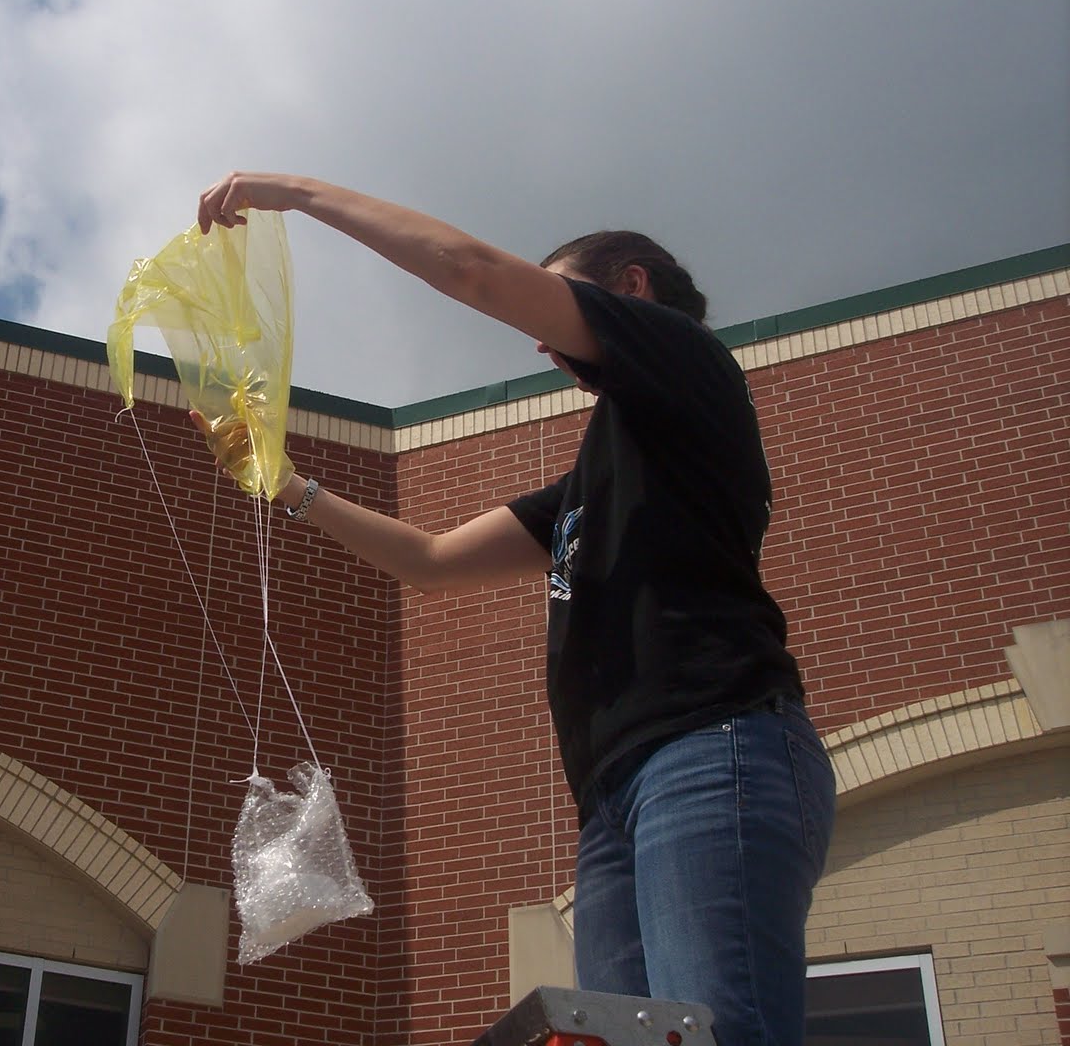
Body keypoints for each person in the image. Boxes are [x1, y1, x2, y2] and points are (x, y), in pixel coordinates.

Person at [191, 172, 836, 1046]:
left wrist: (297, 196)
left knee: (715, 1035)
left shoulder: (686, 363)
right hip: (613, 796)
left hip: (710, 747)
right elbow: (429, 561)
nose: (543, 344)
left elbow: (473, 271)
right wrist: (289, 488)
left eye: (560, 304)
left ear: (631, 290)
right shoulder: (599, 479)